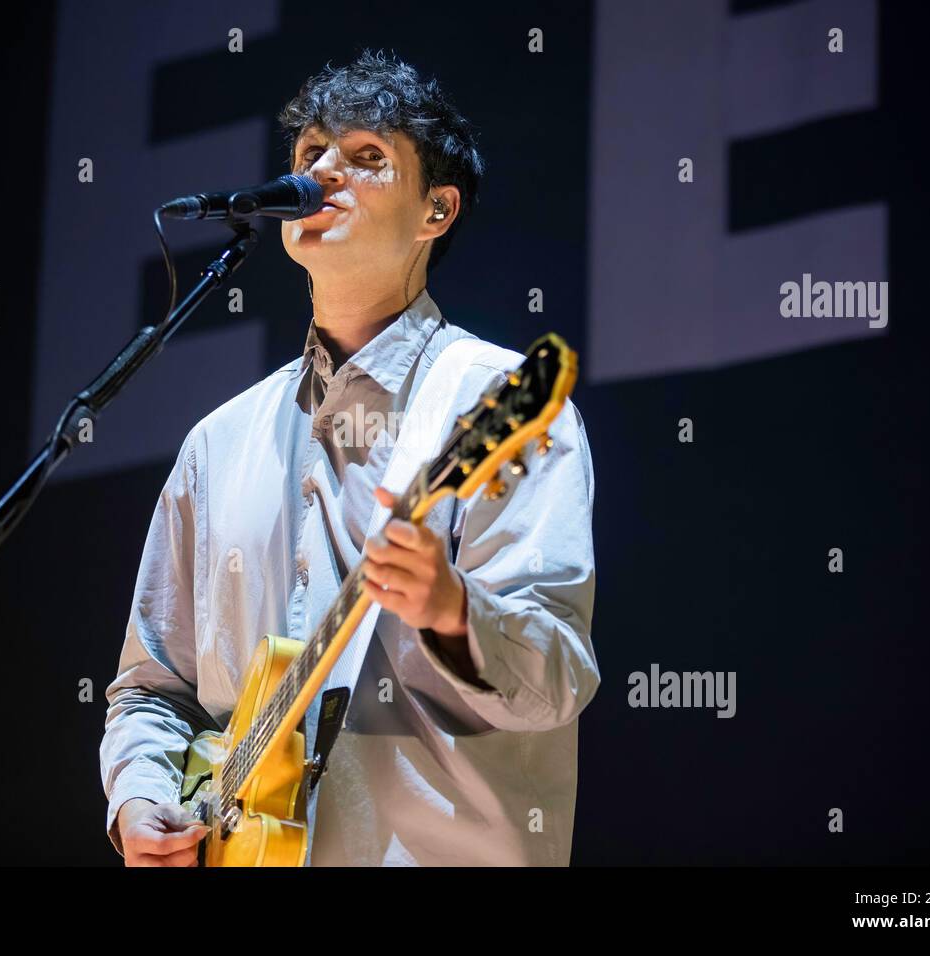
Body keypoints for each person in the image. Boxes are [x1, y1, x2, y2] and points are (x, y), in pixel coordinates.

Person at [100, 49, 599, 866]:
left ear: (436, 212)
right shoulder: (217, 442)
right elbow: (151, 688)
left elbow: (559, 680)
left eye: (368, 158)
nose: (325, 171)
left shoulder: (493, 398)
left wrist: (452, 608)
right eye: (310, 155)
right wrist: (141, 797)